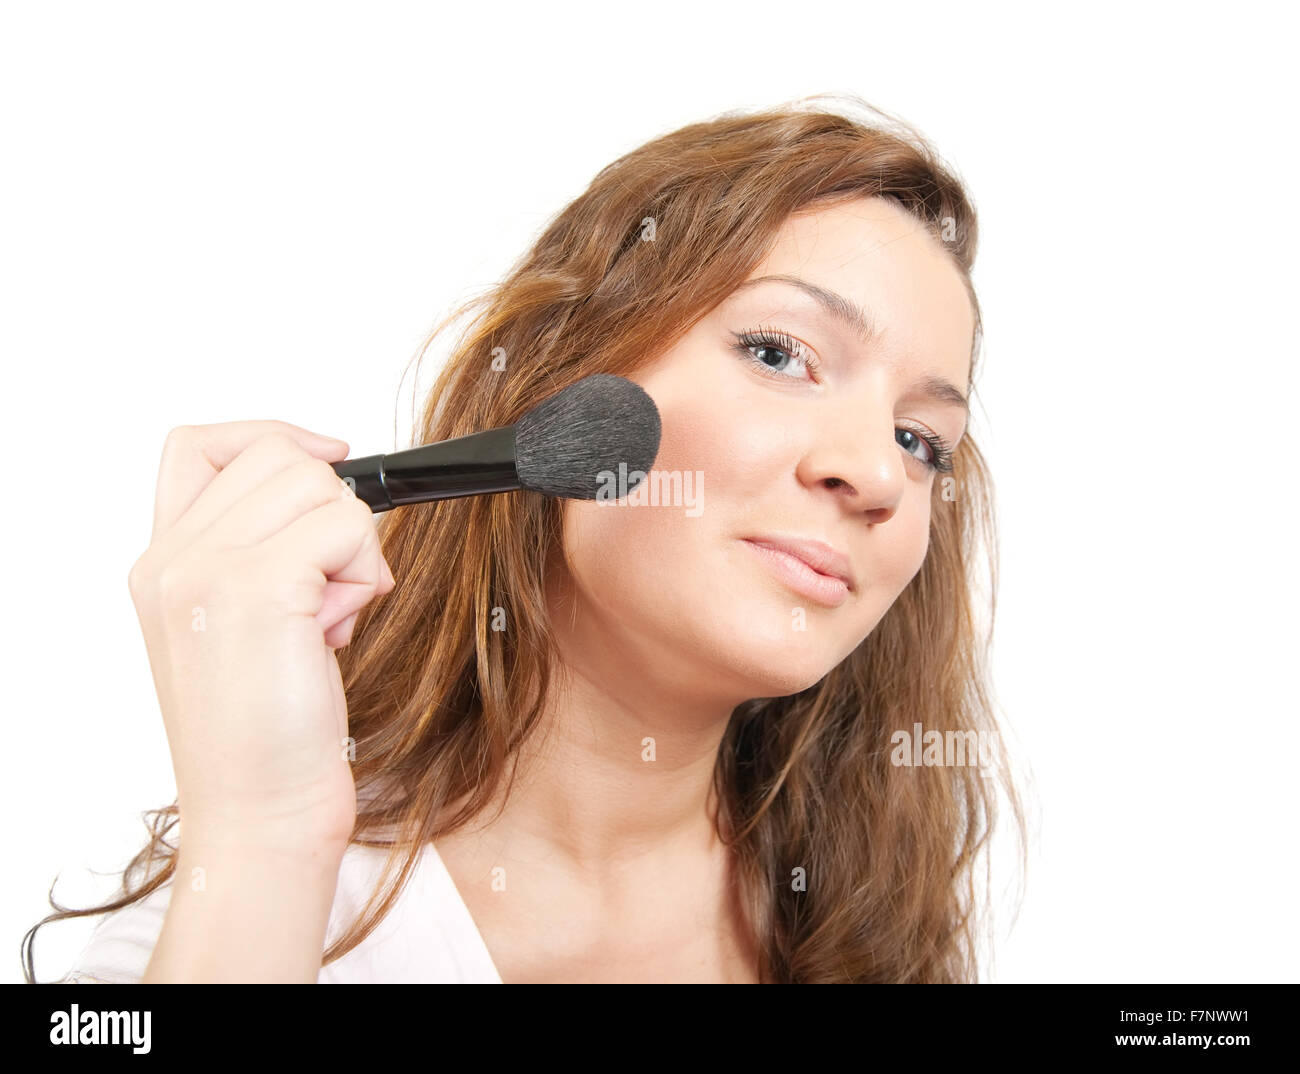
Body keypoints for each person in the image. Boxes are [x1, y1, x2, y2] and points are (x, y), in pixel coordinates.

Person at [24, 92, 1025, 984]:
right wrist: (260, 840)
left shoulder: (871, 919)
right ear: (557, 377)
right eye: (779, 352)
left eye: (919, 438)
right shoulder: (240, 922)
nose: (880, 473)